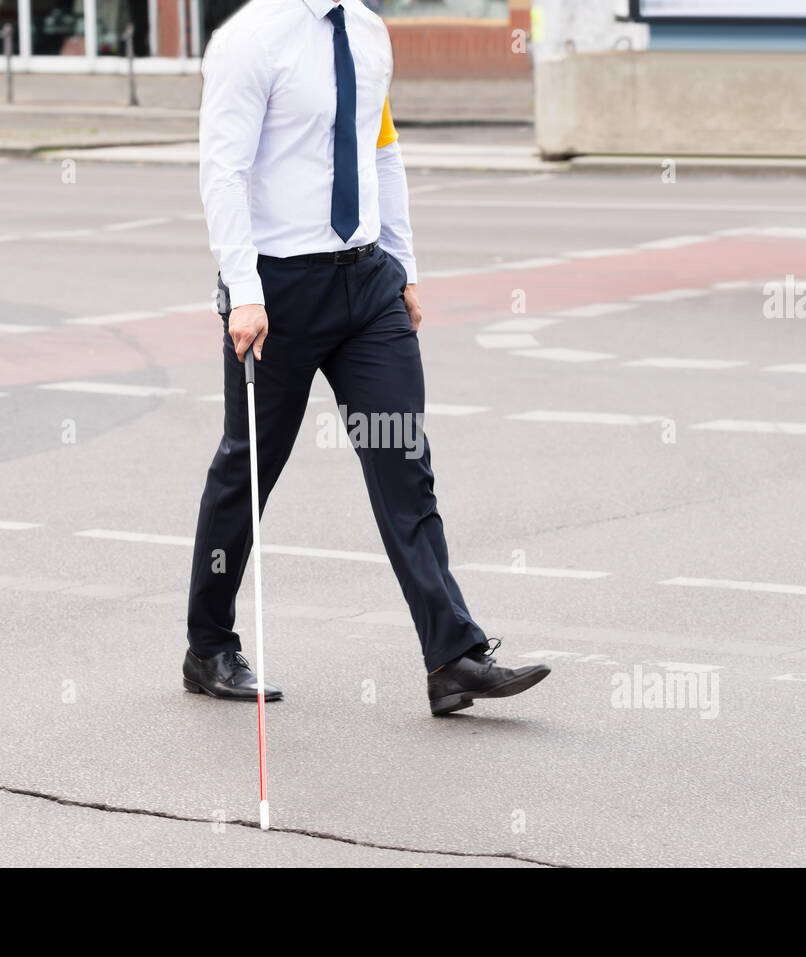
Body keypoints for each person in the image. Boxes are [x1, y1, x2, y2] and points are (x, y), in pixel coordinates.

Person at [182, 0, 551, 716]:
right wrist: (246, 289)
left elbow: (380, 151)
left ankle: (453, 655)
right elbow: (221, 171)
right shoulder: (251, 39)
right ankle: (208, 645)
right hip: (279, 288)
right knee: (248, 468)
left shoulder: (371, 33)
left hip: (368, 283)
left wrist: (404, 266)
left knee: (403, 463)